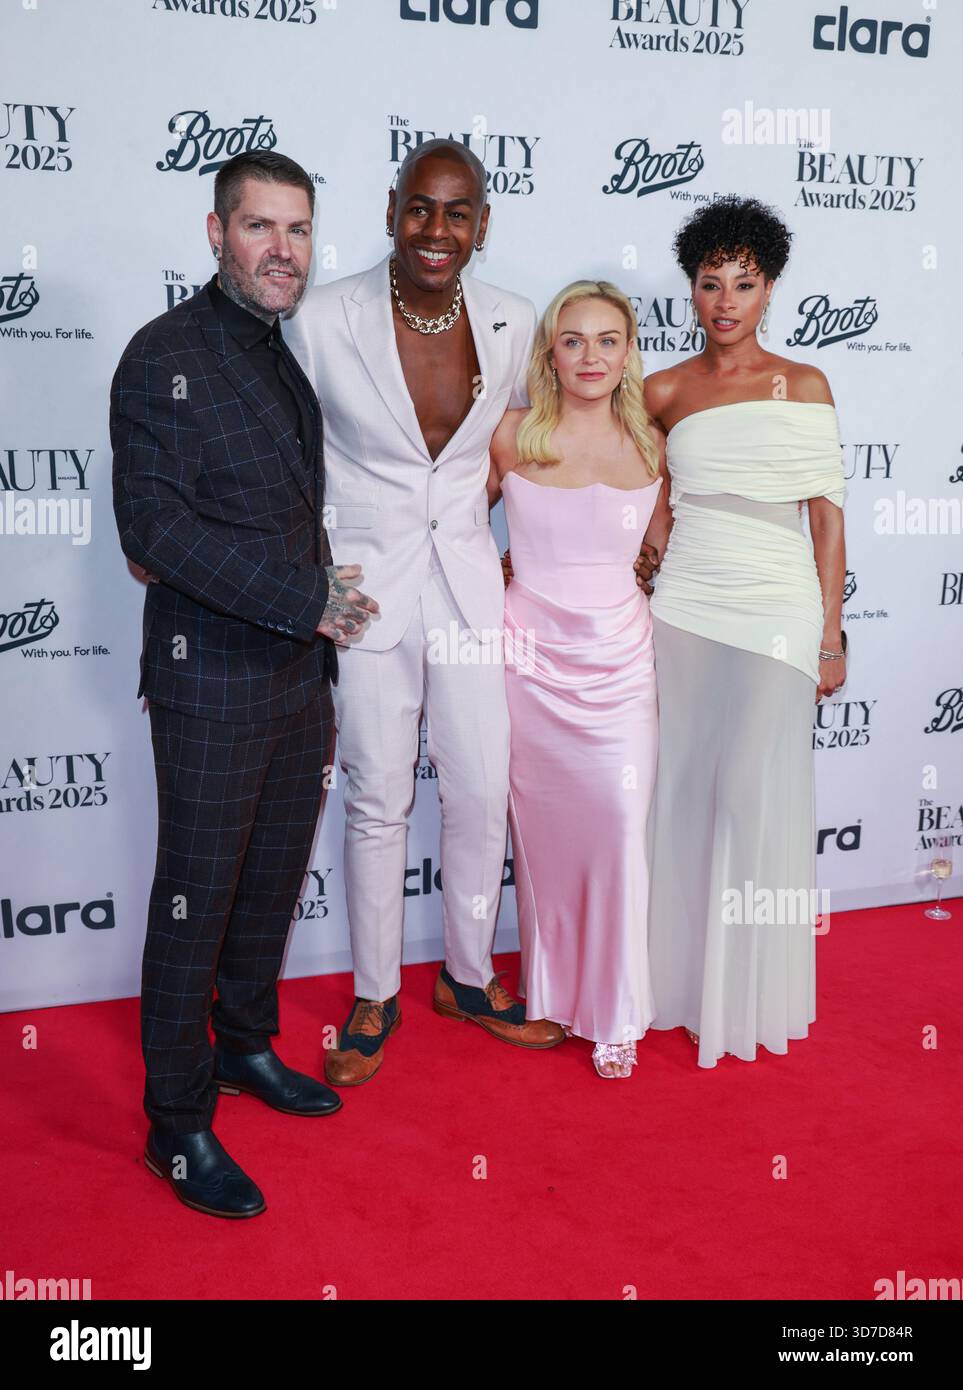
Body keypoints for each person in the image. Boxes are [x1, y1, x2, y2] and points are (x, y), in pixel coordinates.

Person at [111, 150, 378, 1218]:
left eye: (299, 230)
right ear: (216, 233)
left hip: (294, 669)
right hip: (210, 674)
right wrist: (299, 596)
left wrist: (314, 587)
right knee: (195, 899)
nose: (283, 250)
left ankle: (243, 1046)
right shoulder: (163, 355)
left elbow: (260, 506)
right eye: (260, 227)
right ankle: (175, 1124)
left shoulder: (276, 347)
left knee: (270, 881)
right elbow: (155, 532)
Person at [285, 139, 565, 1086]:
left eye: (457, 212)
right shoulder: (324, 319)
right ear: (391, 210)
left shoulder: (512, 318)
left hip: (468, 582)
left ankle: (469, 975)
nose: (435, 229)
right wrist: (312, 576)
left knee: (482, 787)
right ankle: (374, 991)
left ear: (482, 223)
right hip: (365, 591)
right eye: (419, 208)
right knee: (377, 793)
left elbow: (524, 443)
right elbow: (293, 458)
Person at [639, 195, 847, 1068]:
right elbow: (632, 489)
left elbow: (827, 520)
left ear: (769, 289)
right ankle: (676, 987)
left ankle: (744, 994)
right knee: (680, 786)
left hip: (776, 604)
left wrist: (830, 633)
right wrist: (647, 541)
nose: (725, 300)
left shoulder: (804, 385)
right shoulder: (660, 388)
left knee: (748, 791)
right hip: (684, 603)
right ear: (690, 290)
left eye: (744, 282)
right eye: (709, 282)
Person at [488, 281, 670, 1078]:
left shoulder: (655, 444)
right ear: (549, 352)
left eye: (607, 340)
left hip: (623, 660)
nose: (589, 356)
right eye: (572, 340)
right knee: (547, 842)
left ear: (629, 352)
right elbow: (447, 529)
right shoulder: (509, 436)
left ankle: (617, 1011)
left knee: (621, 827)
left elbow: (665, 549)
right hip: (526, 661)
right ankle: (552, 993)